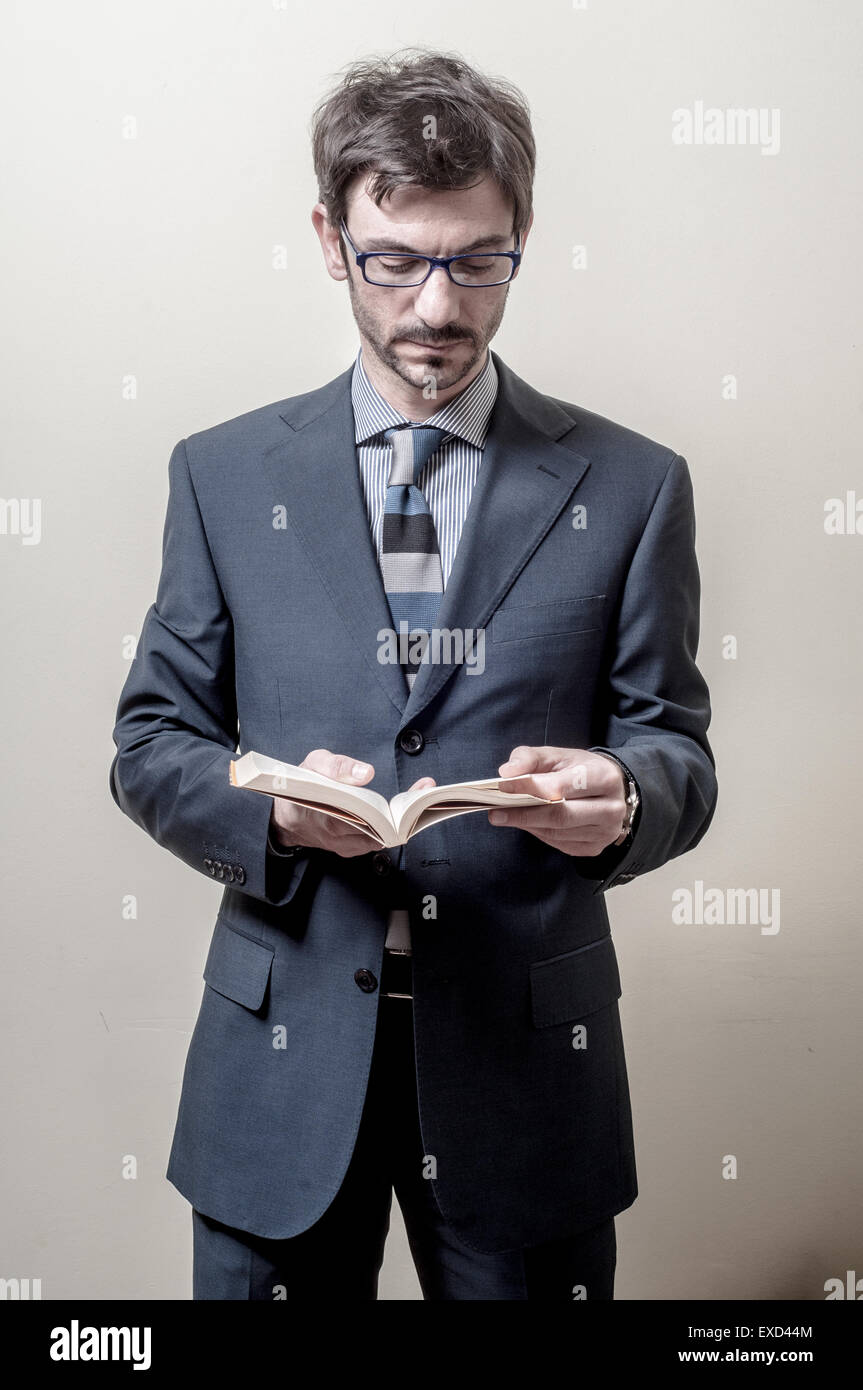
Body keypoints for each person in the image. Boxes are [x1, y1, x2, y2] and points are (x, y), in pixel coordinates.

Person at [109, 47, 717, 1301]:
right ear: (331, 241)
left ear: (521, 237)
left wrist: (623, 793)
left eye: (475, 259)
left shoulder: (635, 483)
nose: (435, 308)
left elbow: (675, 750)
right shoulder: (221, 477)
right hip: (279, 1061)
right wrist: (264, 810)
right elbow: (152, 742)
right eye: (396, 261)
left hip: (524, 1064)